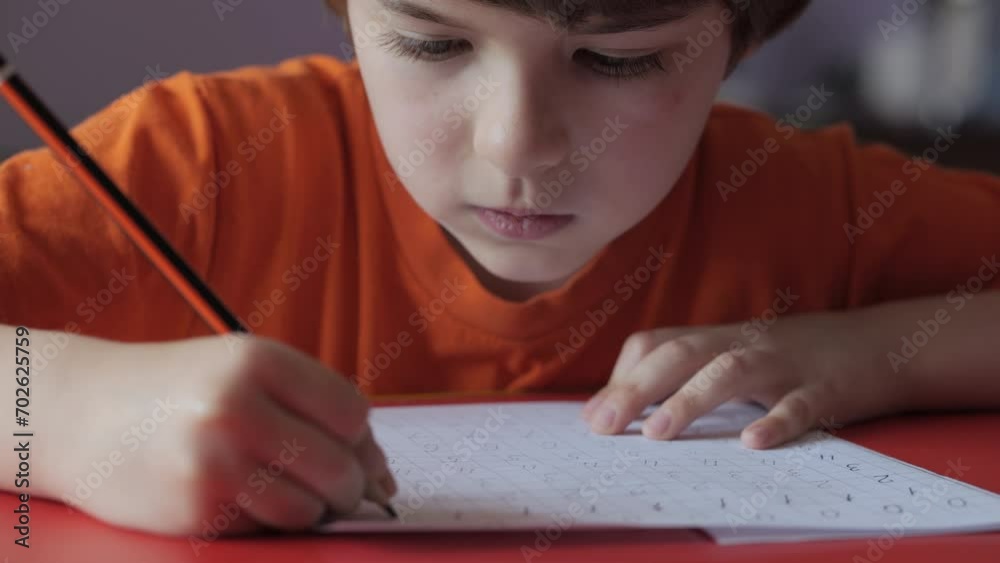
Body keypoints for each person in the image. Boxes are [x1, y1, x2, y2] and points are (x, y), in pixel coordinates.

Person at [1, 0, 998, 538]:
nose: (515, 145)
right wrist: (71, 413)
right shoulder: (199, 167)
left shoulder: (809, 209)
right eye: (433, 39)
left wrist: (883, 353)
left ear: (740, 27)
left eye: (619, 60)